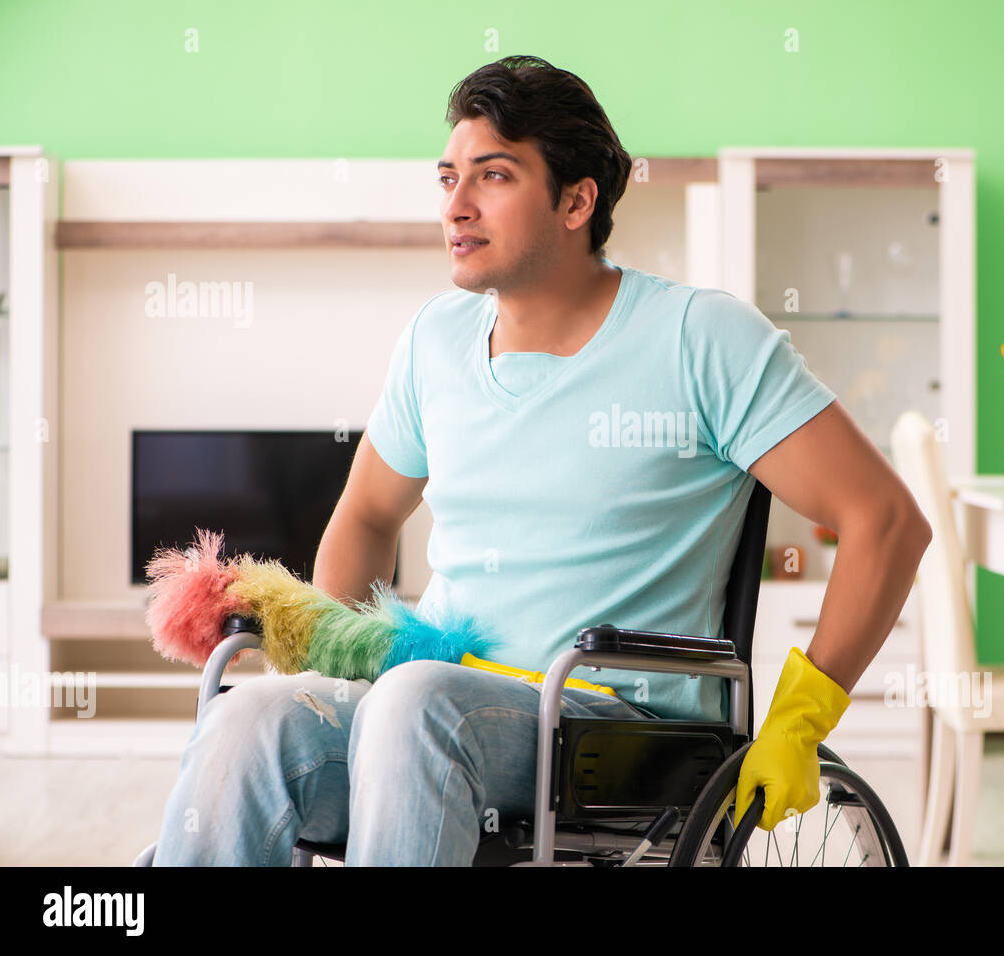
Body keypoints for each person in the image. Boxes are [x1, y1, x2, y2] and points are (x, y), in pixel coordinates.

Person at [151, 55, 931, 866]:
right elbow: (369, 513)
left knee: (415, 702)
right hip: (423, 705)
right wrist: (333, 662)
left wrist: (799, 722)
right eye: (448, 178)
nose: (456, 205)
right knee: (251, 717)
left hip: (614, 726)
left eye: (492, 176)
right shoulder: (434, 340)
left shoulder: (699, 337)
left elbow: (886, 520)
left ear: (576, 201)